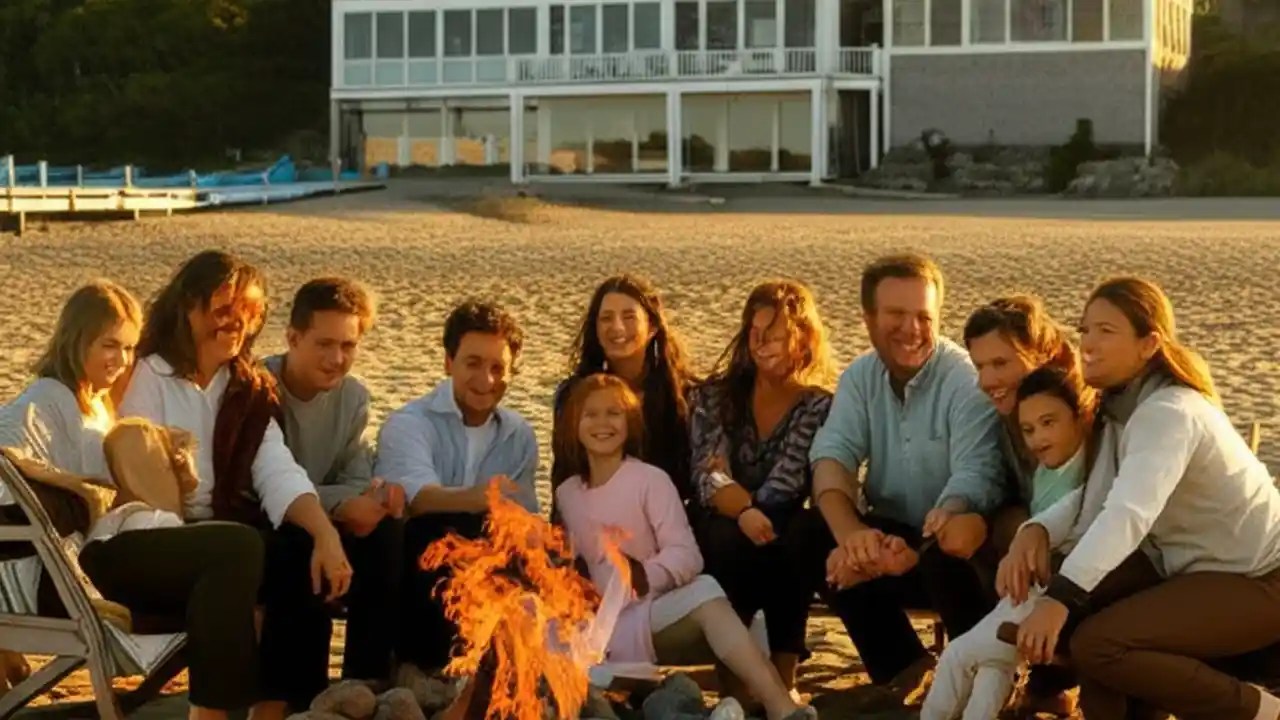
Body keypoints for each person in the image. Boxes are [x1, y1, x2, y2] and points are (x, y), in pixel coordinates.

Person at [1007, 276, 1280, 720]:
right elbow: (1094, 500)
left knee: (1099, 643)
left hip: (1259, 579)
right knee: (1093, 610)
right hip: (1194, 569)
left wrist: (1058, 599)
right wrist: (1035, 528)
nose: (1088, 343)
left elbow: (1127, 516)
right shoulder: (1121, 410)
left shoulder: (1168, 413)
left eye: (1106, 331)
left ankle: (1264, 711)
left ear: (1149, 344)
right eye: (1084, 330)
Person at [0, 279, 266, 720]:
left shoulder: (98, 407)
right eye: (109, 345)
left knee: (237, 557)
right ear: (75, 338)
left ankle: (213, 706)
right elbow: (6, 462)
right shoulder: (44, 399)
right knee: (236, 548)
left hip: (102, 555)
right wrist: (80, 488)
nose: (121, 360)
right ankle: (214, 711)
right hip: (69, 574)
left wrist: (171, 468)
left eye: (128, 348)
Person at [119, 250, 352, 720]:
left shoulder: (248, 387)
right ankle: (211, 713)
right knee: (238, 546)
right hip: (149, 537)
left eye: (247, 313)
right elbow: (135, 476)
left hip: (223, 537)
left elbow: (277, 470)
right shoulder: (146, 375)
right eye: (223, 310)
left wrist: (325, 534)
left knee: (296, 549)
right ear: (189, 306)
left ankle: (276, 709)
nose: (236, 324)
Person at [554, 373, 818, 720]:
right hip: (596, 628)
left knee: (706, 590)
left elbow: (686, 555)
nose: (602, 423)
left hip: (651, 613)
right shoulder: (566, 494)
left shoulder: (650, 480)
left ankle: (782, 708)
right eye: (591, 414)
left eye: (613, 413)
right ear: (574, 424)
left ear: (630, 422)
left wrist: (643, 576)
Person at [809, 252, 1006, 696]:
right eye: (897, 314)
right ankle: (903, 669)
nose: (912, 329)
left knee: (945, 552)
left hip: (956, 541)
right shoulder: (861, 376)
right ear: (868, 318)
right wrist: (850, 535)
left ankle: (974, 679)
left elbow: (976, 477)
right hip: (889, 538)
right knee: (809, 531)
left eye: (924, 316)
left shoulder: (963, 379)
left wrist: (919, 543)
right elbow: (831, 456)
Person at [375, 299, 538, 675]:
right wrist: (487, 498)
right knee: (440, 526)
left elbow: (524, 516)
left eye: (499, 368)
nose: (487, 379)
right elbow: (417, 498)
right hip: (420, 574)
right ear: (449, 362)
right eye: (473, 363)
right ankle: (417, 672)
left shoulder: (519, 435)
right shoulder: (410, 423)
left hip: (490, 572)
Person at [688, 280, 835, 694]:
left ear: (802, 338)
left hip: (780, 519)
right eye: (754, 333)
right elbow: (705, 473)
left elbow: (788, 480)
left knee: (798, 536)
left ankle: (782, 671)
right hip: (720, 518)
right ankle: (733, 675)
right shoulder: (715, 395)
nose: (761, 344)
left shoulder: (817, 405)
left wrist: (743, 499)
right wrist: (741, 507)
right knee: (724, 536)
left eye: (774, 334)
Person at [921, 366, 1092, 720]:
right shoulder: (1045, 470)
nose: (1038, 438)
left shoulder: (1089, 467)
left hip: (1056, 598)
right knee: (991, 670)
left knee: (958, 656)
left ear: (1080, 416)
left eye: (1049, 423)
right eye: (1028, 429)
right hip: (1024, 596)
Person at [263, 277, 402, 689]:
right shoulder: (258, 388)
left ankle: (365, 681)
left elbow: (356, 475)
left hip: (326, 520)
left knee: (388, 530)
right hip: (269, 521)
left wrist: (359, 504)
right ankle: (303, 694)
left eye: (348, 346)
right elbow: (256, 487)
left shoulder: (353, 397)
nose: (336, 358)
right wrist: (339, 506)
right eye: (324, 344)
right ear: (293, 337)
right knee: (300, 546)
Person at [961, 294, 1082, 713]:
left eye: (1001, 363)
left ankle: (1049, 681)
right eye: (979, 366)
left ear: (1041, 356)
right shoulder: (1005, 415)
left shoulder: (1077, 407)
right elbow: (996, 480)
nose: (987, 380)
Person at [551, 274, 697, 509]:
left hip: (667, 521)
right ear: (595, 328)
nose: (617, 327)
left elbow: (692, 481)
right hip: (592, 520)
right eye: (606, 318)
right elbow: (564, 475)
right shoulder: (573, 396)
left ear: (652, 327)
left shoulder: (685, 395)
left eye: (629, 317)